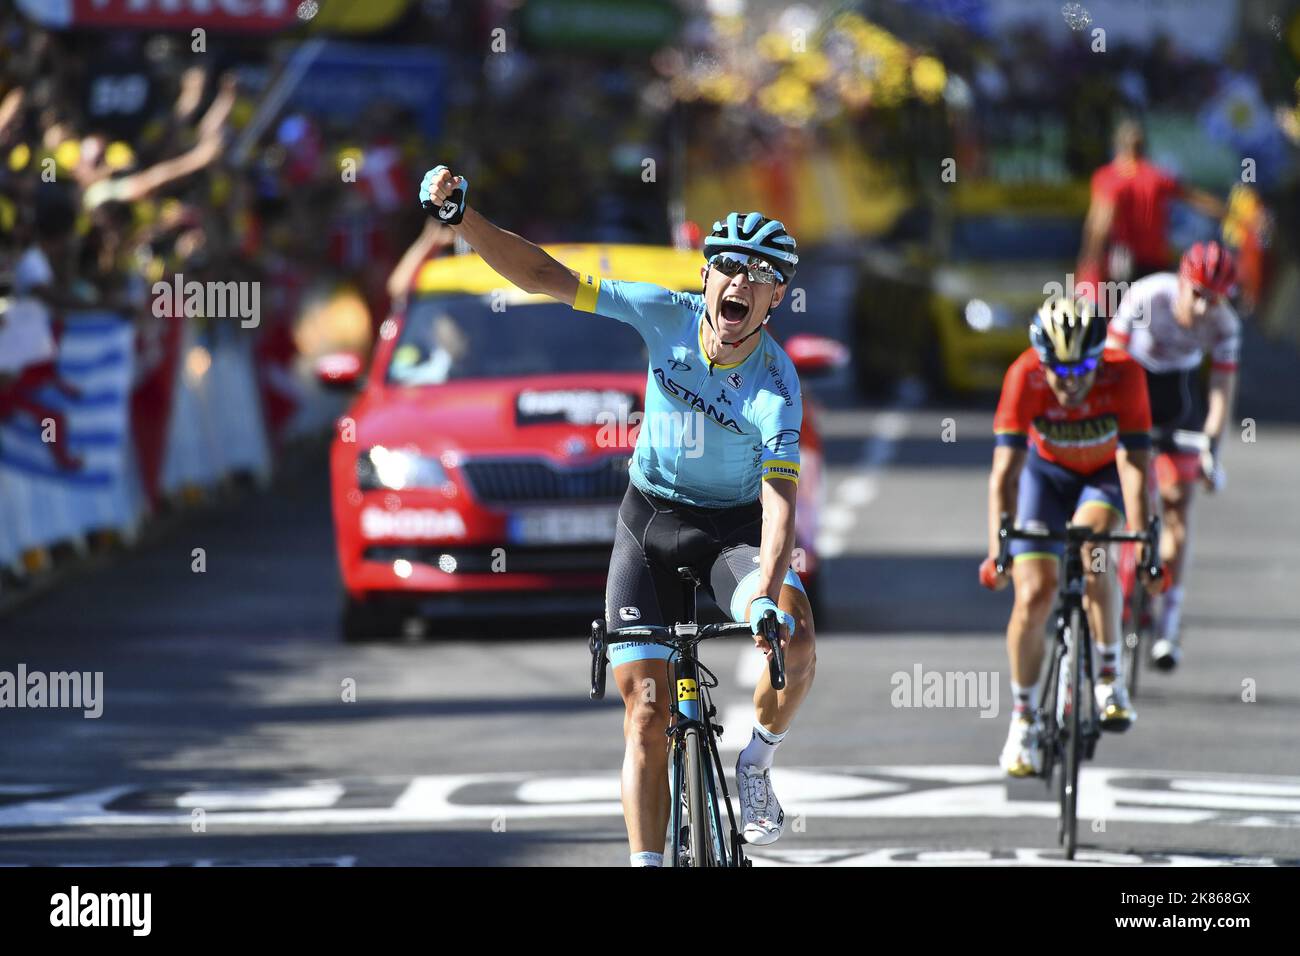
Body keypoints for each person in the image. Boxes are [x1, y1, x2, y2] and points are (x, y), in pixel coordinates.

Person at [418, 165, 816, 866]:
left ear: (776, 295)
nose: (738, 282)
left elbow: (779, 505)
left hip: (734, 536)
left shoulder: (776, 387)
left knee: (798, 634)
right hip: (652, 522)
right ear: (707, 277)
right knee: (646, 718)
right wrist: (463, 220)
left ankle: (756, 764)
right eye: (726, 266)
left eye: (758, 273)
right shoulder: (660, 311)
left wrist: (763, 604)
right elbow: (541, 274)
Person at [980, 296, 1159, 777]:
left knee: (1093, 550)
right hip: (1046, 478)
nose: (1070, 381)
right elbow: (1005, 475)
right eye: (1057, 368)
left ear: (1100, 357)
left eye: (1082, 367)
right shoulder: (1024, 376)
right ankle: (1021, 720)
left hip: (1103, 478)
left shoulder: (1126, 375)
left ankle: (1108, 675)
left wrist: (1144, 544)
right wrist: (998, 550)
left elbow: (1138, 468)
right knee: (1034, 593)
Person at [1105, 241, 1240, 670]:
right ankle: (1112, 592)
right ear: (1182, 281)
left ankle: (1169, 622)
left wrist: (1211, 450)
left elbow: (1220, 395)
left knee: (1179, 504)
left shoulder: (1225, 326)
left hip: (1177, 401)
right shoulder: (1149, 294)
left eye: (1213, 299)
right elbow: (1111, 359)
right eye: (1197, 294)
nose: (1203, 308)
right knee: (1123, 498)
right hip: (1131, 386)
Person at [1079, 118, 1226, 288]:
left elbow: (1100, 224)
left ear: (1116, 145)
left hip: (1123, 261)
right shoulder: (1157, 176)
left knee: (1121, 311)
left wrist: (1089, 258)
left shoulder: (1109, 178)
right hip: (1156, 261)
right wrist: (1227, 212)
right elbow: (1195, 198)